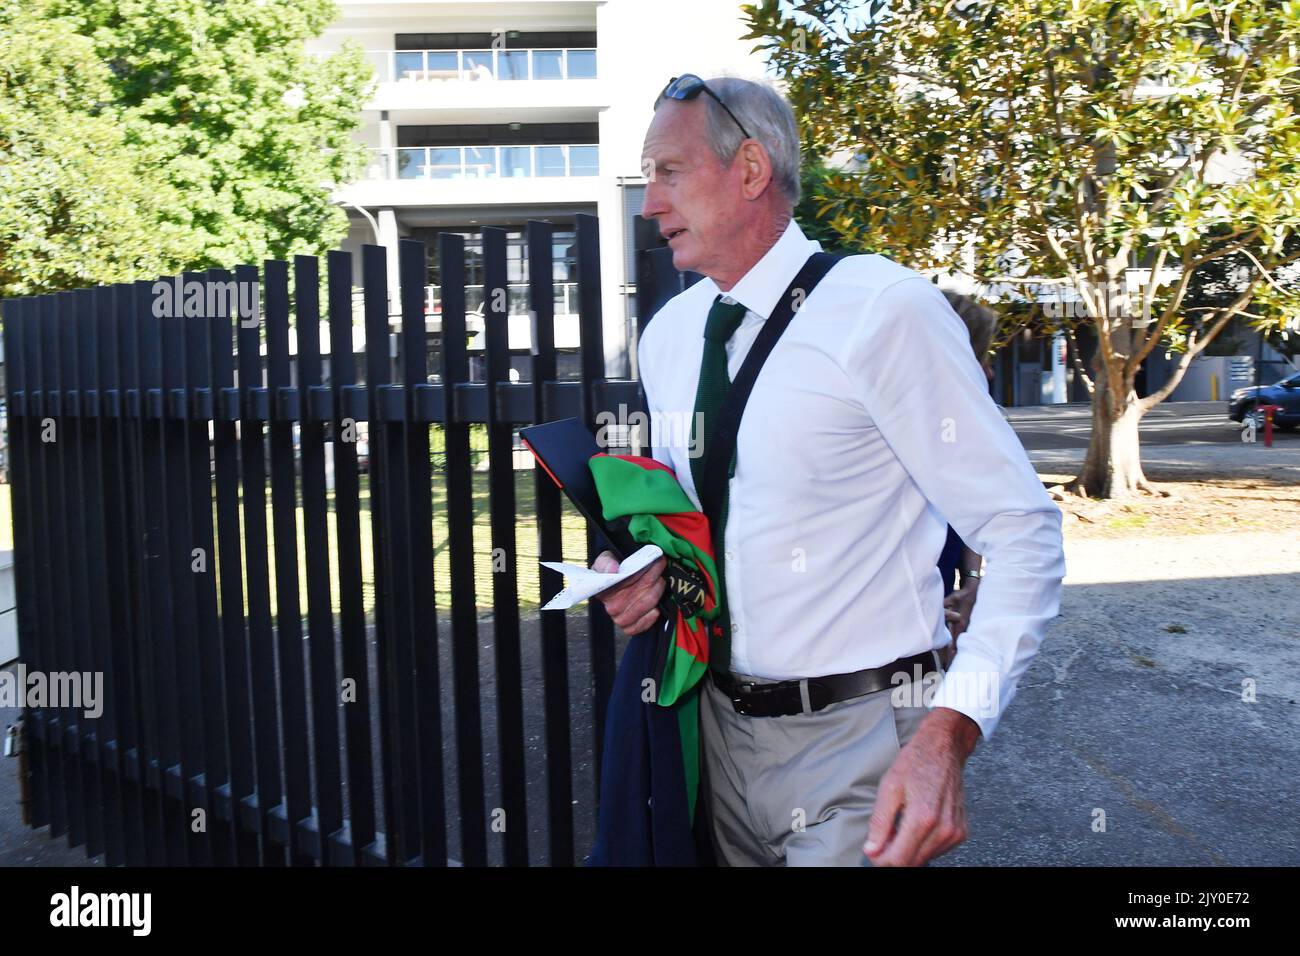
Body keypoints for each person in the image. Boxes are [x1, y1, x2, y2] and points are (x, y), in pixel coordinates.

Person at [594, 74, 1065, 867]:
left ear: (749, 170)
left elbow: (1024, 533)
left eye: (668, 173)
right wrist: (634, 570)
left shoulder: (884, 310)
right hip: (710, 736)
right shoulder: (670, 335)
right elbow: (690, 525)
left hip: (861, 748)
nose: (650, 205)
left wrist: (950, 732)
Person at [937, 290, 1000, 657]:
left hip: (943, 603)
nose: (989, 370)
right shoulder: (886, 427)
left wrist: (972, 582)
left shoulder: (970, 423)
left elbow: (973, 511)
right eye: (982, 357)